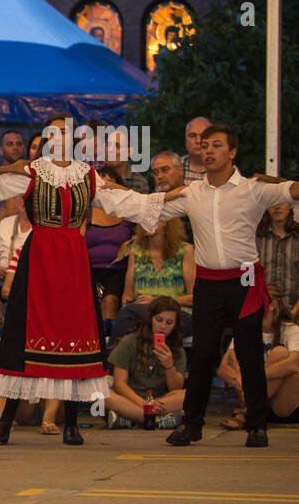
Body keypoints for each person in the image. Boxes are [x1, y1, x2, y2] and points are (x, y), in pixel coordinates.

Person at [100, 123, 299, 447]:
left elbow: (292, 191)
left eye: (216, 145)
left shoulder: (253, 188)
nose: (208, 151)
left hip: (246, 278)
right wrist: (108, 190)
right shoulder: (192, 193)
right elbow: (149, 206)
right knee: (203, 354)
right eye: (204, 145)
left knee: (250, 354)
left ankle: (257, 425)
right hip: (208, 281)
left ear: (232, 152)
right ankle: (192, 425)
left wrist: (274, 180)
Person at [0, 113, 155, 446]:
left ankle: (71, 422)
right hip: (39, 256)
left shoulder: (87, 175)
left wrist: (171, 200)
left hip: (73, 259)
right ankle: (6, 420)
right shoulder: (30, 171)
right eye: (54, 131)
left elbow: (125, 200)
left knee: (77, 334)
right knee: (23, 333)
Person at [217, 287, 299, 428]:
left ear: (272, 305)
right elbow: (223, 368)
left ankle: (246, 414)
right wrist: (238, 378)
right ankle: (250, 410)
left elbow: (294, 364)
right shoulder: (246, 329)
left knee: (280, 353)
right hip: (256, 400)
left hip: (286, 406)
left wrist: (253, 378)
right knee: (234, 359)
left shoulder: (291, 329)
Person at [105, 296, 186, 429]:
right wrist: (145, 405)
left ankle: (132, 419)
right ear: (150, 319)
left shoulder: (177, 349)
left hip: (161, 400)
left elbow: (176, 388)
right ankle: (155, 420)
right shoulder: (129, 342)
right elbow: (120, 384)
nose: (163, 326)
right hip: (130, 399)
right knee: (101, 395)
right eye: (159, 320)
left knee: (188, 395)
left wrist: (169, 365)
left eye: (169, 322)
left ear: (175, 325)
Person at [112, 218, 194, 341]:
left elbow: (193, 298)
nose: (146, 222)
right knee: (129, 313)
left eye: (152, 217)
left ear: (166, 221)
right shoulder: (136, 251)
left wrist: (157, 301)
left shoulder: (185, 251)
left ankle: (113, 358)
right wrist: (132, 302)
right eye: (144, 217)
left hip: (176, 314)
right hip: (144, 313)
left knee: (129, 314)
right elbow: (127, 296)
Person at [87, 166, 133, 325]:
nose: (104, 186)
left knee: (111, 301)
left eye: (109, 183)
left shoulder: (126, 213)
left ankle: (108, 341)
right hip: (88, 269)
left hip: (118, 270)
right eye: (100, 182)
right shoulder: (85, 213)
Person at [257, 202, 299, 318]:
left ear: (291, 204)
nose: (277, 207)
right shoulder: (255, 239)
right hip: (263, 314)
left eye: (282, 202)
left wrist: (294, 313)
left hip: (295, 315)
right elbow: (246, 278)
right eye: (273, 201)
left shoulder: (297, 238)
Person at [182, 117, 210, 183]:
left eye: (203, 136)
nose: (198, 141)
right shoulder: (174, 168)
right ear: (186, 140)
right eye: (192, 136)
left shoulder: (225, 169)